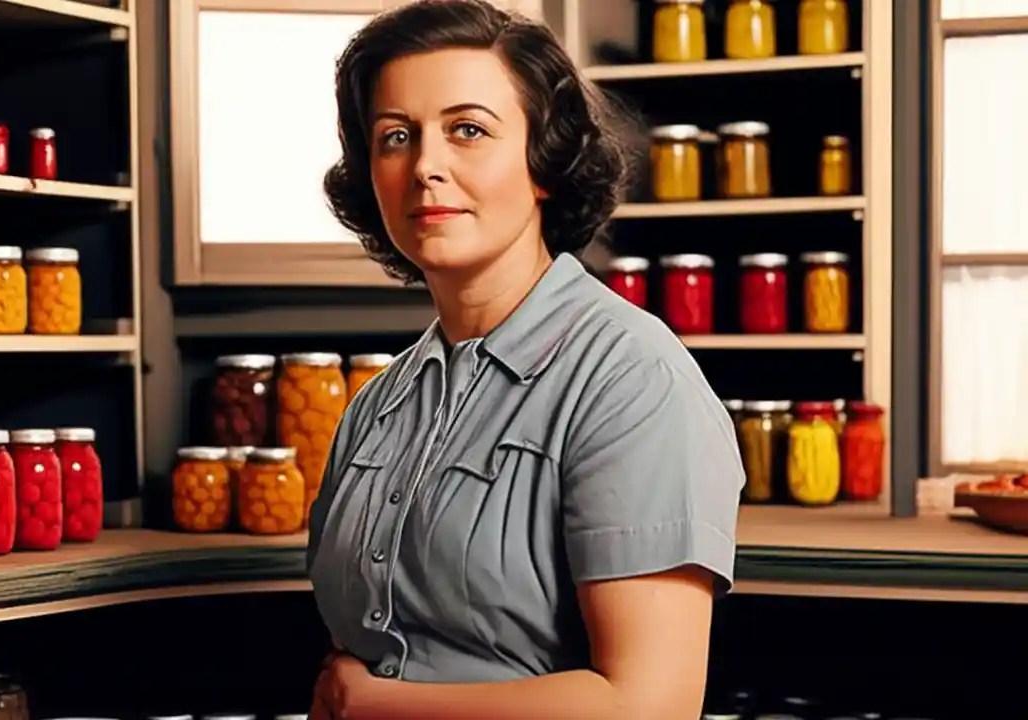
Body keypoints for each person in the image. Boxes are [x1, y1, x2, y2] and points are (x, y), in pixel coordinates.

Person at [306, 1, 745, 718]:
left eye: (468, 130)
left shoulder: (632, 380)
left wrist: (372, 705)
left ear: (543, 164)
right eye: (394, 137)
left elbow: (650, 706)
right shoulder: (377, 405)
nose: (425, 167)